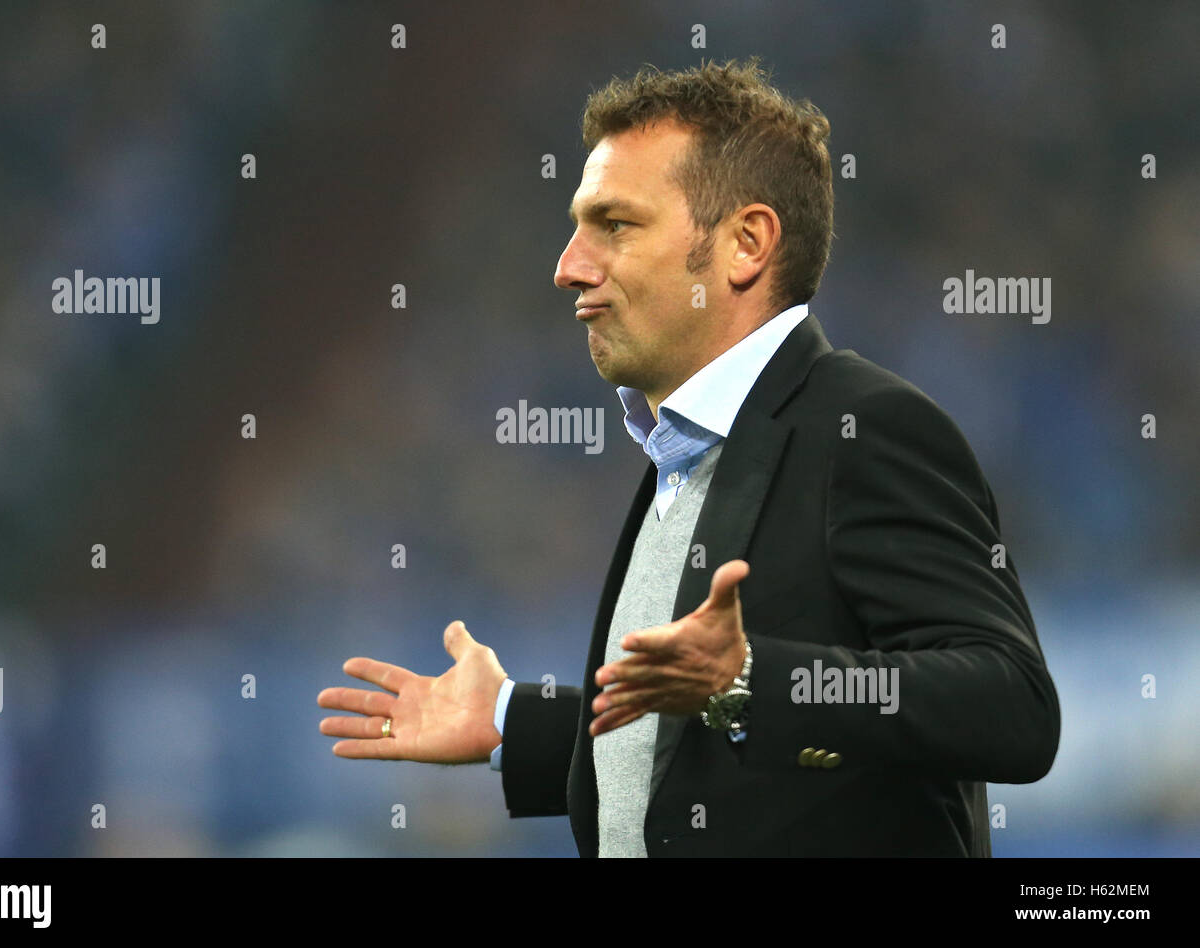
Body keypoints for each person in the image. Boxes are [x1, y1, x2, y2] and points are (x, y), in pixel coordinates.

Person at [317, 58, 1060, 857]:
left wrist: (747, 679)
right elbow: (697, 752)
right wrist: (507, 720)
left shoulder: (863, 427)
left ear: (745, 244)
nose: (569, 266)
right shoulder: (684, 453)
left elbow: (1012, 706)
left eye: (616, 225)